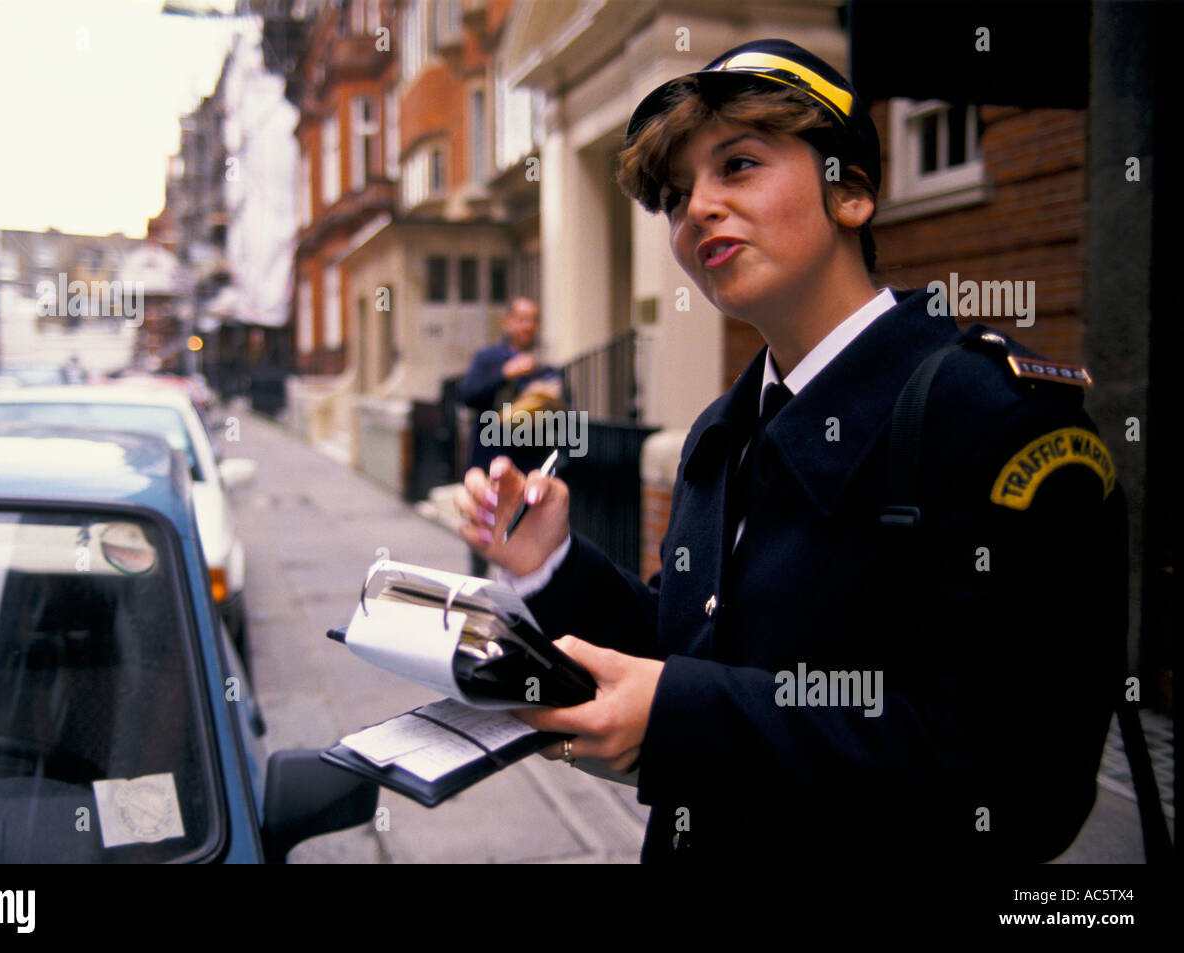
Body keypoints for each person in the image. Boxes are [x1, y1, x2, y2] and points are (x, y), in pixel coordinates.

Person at [454, 39, 1127, 863]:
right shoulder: (723, 428)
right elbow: (689, 651)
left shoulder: (993, 418)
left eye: (738, 164)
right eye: (674, 194)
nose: (697, 207)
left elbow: (1020, 779)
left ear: (850, 193)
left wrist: (683, 718)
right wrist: (550, 562)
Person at [459, 297, 564, 576]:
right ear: (508, 321)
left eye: (533, 319)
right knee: (481, 544)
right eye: (521, 318)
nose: (528, 325)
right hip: (487, 462)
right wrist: (506, 373)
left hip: (527, 466)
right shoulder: (488, 359)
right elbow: (467, 395)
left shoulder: (546, 369)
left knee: (524, 543)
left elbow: (561, 416)